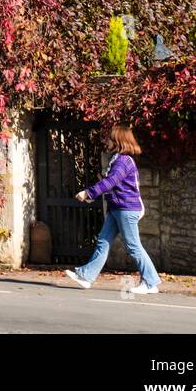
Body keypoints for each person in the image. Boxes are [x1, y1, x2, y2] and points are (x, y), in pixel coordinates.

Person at [64, 124, 162, 295]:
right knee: (103, 241)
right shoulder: (118, 159)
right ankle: (86, 277)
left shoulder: (123, 161)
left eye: (109, 138)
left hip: (126, 209)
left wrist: (88, 193)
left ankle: (150, 282)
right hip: (118, 208)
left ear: (117, 140)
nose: (107, 141)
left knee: (133, 246)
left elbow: (110, 182)